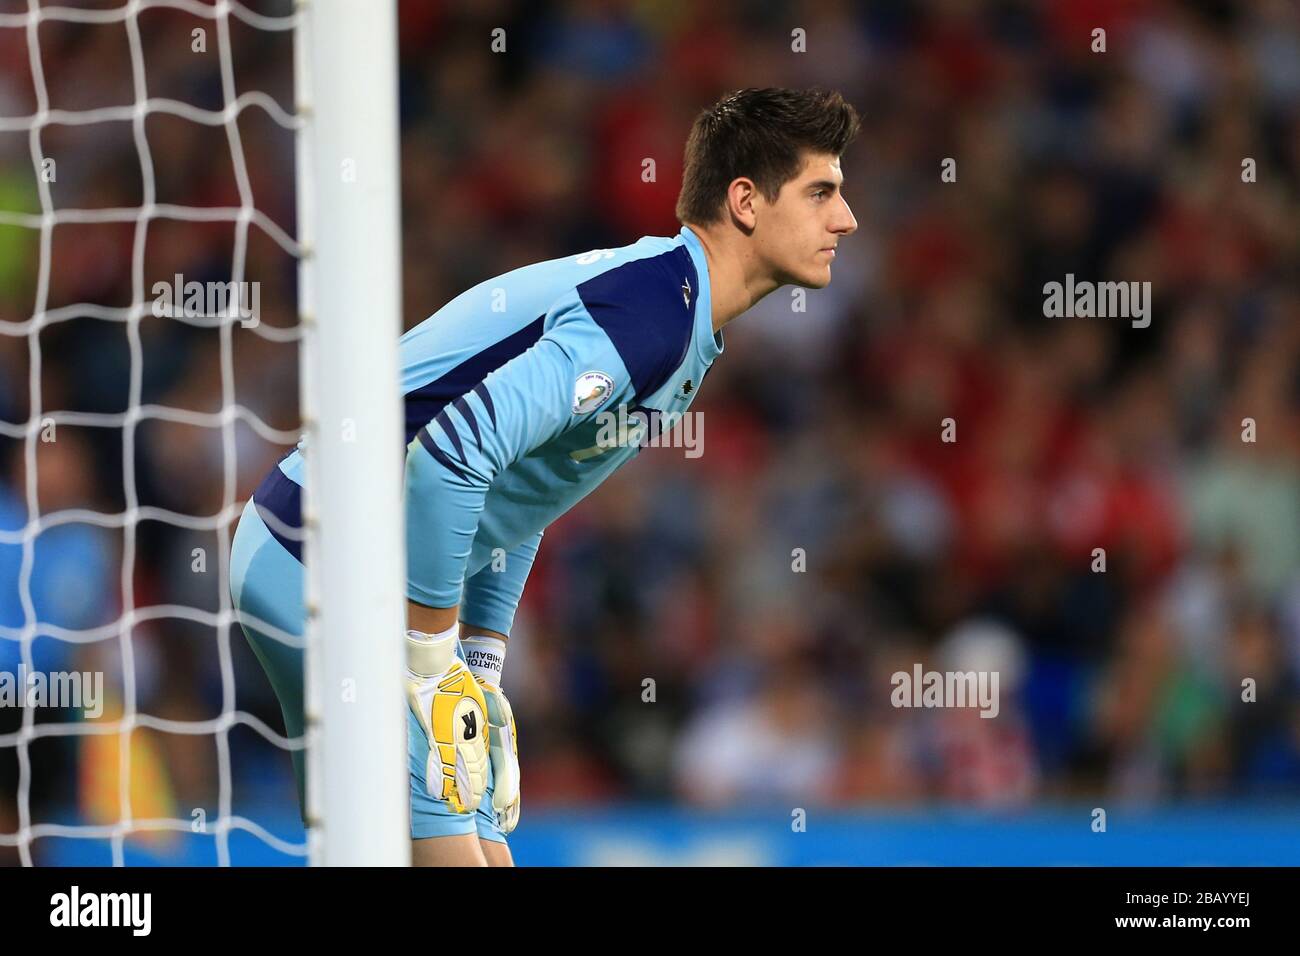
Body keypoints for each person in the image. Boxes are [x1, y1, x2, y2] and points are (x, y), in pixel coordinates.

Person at [229, 86, 860, 866]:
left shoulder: (680, 315)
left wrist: (481, 668)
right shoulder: (652, 315)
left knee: (467, 853)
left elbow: (517, 493)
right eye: (822, 192)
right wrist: (432, 662)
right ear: (745, 201)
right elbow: (451, 454)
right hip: (315, 559)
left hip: (357, 577)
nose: (846, 218)